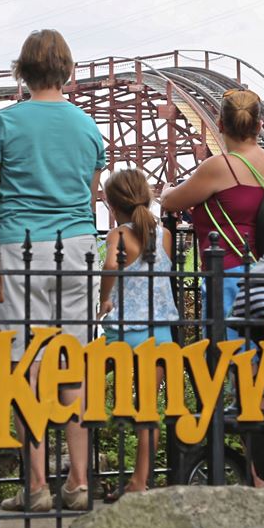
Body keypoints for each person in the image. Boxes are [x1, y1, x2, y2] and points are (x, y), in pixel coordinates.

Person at [0, 29, 105, 513]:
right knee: (73, 362)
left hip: (21, 248)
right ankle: (78, 482)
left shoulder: (5, 123)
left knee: (26, 365)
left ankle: (35, 485)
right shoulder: (89, 127)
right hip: (77, 249)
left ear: (22, 71)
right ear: (67, 71)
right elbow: (88, 195)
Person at [161, 88, 264, 334]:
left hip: (229, 273)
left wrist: (166, 191)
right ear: (259, 126)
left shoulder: (218, 167)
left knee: (228, 357)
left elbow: (172, 202)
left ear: (219, 124)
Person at [97, 168, 178, 500]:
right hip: (161, 335)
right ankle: (139, 482)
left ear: (113, 205)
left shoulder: (118, 235)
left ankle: (83, 468)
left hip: (124, 333)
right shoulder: (165, 236)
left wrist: (104, 298)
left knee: (78, 383)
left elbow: (111, 267)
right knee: (148, 409)